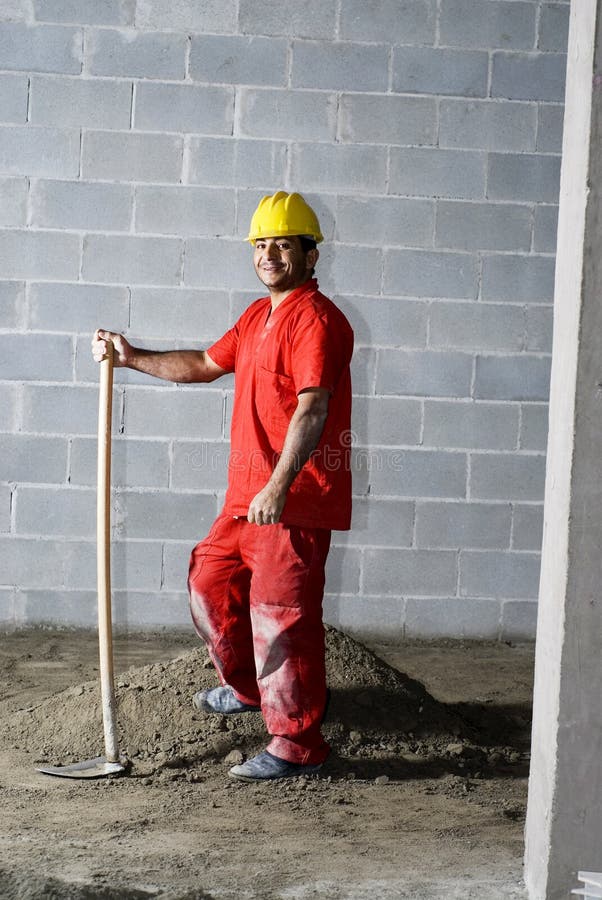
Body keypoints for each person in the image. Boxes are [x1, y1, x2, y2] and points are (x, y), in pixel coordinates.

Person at [92, 191, 354, 781]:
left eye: (282, 243)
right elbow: (205, 365)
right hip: (247, 500)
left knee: (281, 617)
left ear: (311, 255)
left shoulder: (316, 320)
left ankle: (299, 745)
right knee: (210, 584)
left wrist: (279, 484)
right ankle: (247, 690)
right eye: (261, 244)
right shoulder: (258, 318)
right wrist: (132, 359)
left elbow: (312, 409)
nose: (268, 254)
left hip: (293, 500)